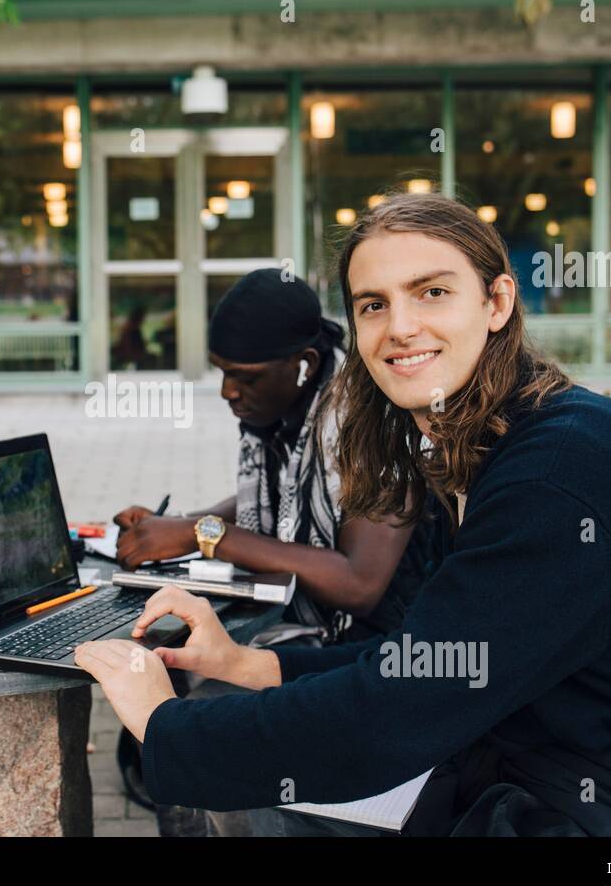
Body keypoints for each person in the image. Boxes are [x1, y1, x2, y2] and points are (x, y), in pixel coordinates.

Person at [78, 192, 611, 836]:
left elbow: (398, 712)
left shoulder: (558, 471)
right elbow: (445, 650)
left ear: (497, 302)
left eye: (433, 292)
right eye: (373, 304)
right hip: (595, 768)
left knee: (269, 801)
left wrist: (167, 726)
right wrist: (250, 662)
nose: (400, 327)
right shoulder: (495, 434)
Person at [114, 268, 428, 646]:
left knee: (179, 670)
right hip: (307, 631)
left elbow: (359, 584)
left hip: (383, 651)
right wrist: (174, 526)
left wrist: (204, 535)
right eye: (223, 373)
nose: (228, 391)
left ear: (305, 364)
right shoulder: (286, 407)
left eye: (246, 378)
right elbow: (281, 496)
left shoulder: (375, 422)